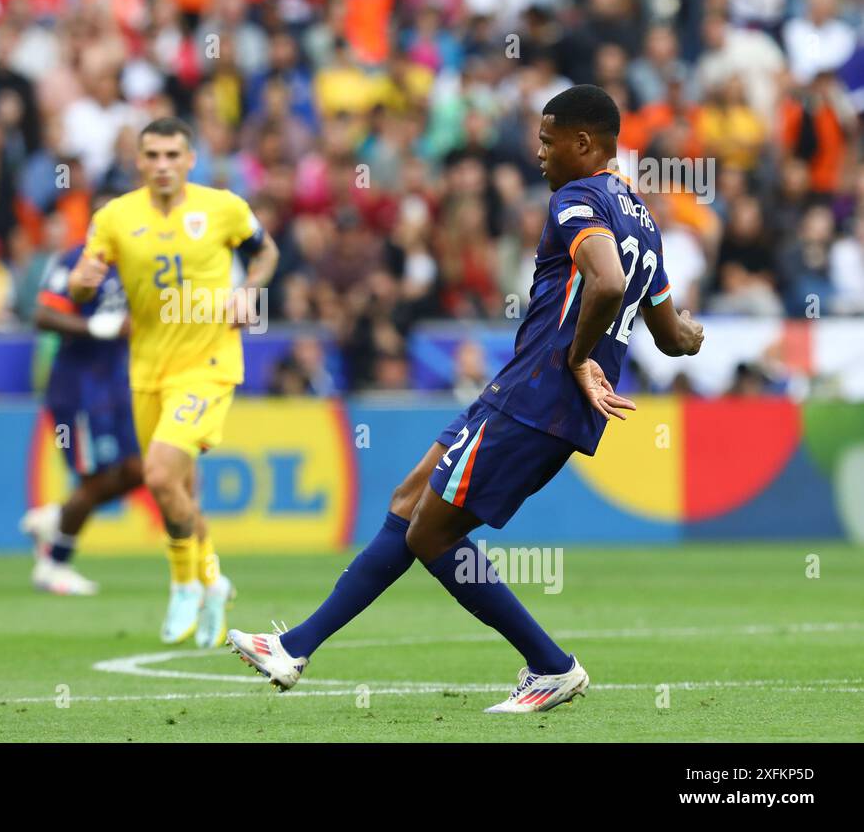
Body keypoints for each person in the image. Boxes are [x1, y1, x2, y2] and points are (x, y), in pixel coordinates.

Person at [227, 85, 704, 712]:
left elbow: (607, 282)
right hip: (523, 392)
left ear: (584, 144)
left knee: (429, 535)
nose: (537, 153)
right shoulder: (642, 218)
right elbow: (672, 337)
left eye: (546, 139)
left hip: (538, 396)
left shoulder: (577, 198)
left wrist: (580, 356)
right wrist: (695, 333)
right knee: (410, 498)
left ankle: (550, 665)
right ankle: (293, 647)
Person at [68, 116, 279, 647]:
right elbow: (80, 285)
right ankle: (215, 581)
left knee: (159, 474)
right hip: (147, 371)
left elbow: (266, 252)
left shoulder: (223, 208)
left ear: (190, 160)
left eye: (173, 155)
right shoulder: (115, 217)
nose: (163, 165)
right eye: (152, 156)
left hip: (208, 365)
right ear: (138, 162)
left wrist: (250, 288)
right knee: (178, 492)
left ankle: (184, 581)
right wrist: (80, 282)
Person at [20, 205, 141, 596]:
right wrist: (101, 326)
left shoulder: (139, 263)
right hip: (78, 388)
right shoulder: (78, 260)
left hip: (116, 386)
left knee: (140, 471)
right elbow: (42, 316)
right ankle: (54, 564)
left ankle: (56, 516)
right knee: (97, 479)